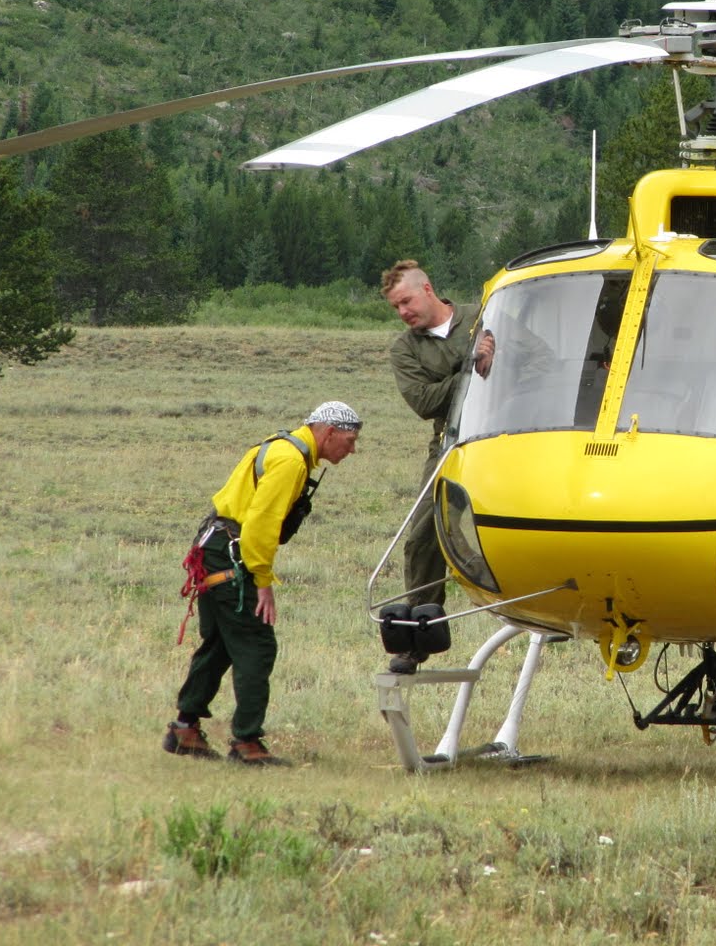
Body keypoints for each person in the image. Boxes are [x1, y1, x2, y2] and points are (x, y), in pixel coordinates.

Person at [163, 401, 362, 766]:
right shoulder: (291, 462)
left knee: (221, 644)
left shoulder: (280, 446)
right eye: (350, 441)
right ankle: (247, 743)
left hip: (213, 548)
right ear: (330, 432)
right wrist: (262, 581)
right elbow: (261, 525)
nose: (352, 450)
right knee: (257, 645)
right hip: (234, 556)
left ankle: (184, 729)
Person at [380, 260, 493, 673]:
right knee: (423, 534)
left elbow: (533, 360)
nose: (403, 312)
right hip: (451, 439)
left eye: (406, 301)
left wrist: (498, 356)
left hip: (507, 430)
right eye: (396, 307)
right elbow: (425, 402)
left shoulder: (484, 316)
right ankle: (419, 634)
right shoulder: (405, 348)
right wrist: (470, 366)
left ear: (427, 289)